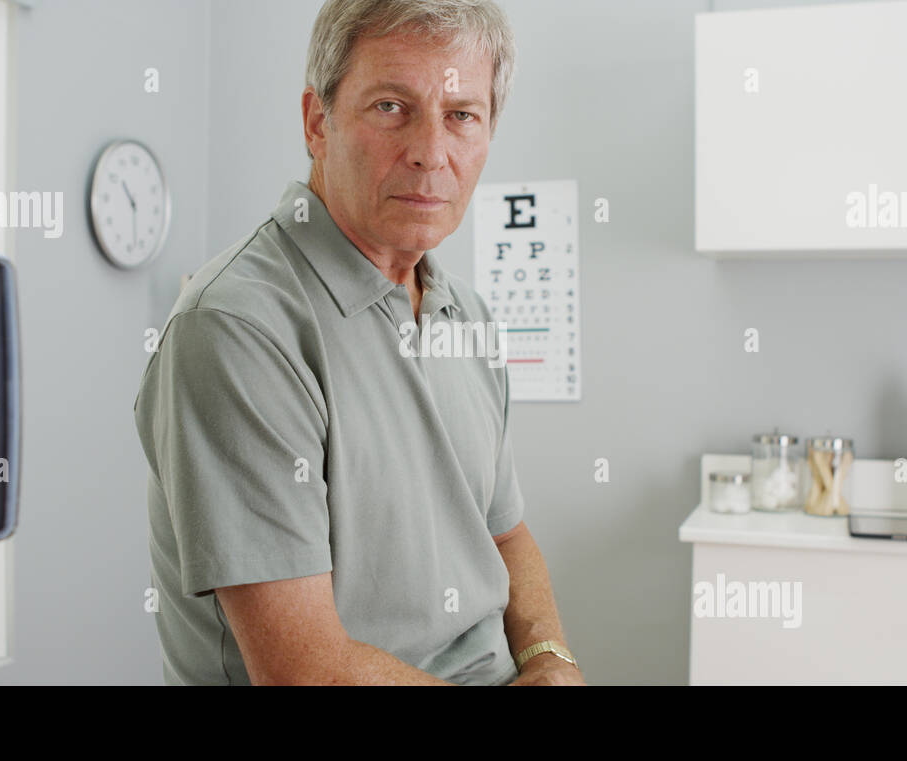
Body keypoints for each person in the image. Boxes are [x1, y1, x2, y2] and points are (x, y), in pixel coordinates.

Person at [133, 0, 583, 686]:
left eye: (462, 114)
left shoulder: (467, 316)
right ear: (318, 121)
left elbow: (505, 533)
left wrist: (550, 658)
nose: (431, 151)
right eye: (391, 107)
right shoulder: (238, 327)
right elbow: (307, 671)